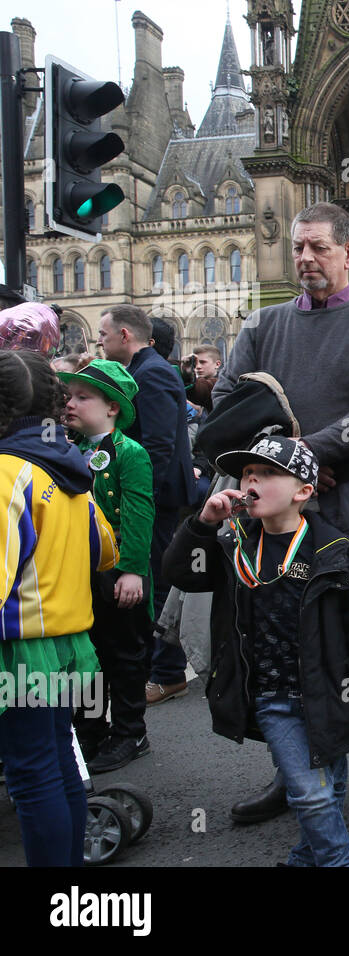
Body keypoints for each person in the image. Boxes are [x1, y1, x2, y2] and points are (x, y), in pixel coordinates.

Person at [212, 202, 349, 822]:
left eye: (318, 247)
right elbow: (225, 400)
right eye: (299, 247)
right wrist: (288, 464)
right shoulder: (263, 325)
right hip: (277, 507)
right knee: (287, 638)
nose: (304, 258)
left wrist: (309, 453)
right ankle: (296, 771)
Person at [163, 437, 349, 866]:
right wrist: (202, 523)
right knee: (310, 792)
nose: (252, 481)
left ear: (303, 491)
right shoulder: (235, 541)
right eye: (248, 473)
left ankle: (304, 859)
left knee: (330, 784)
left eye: (268, 474)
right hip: (273, 695)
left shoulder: (334, 550)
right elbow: (181, 573)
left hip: (328, 690)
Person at [1, 350, 119, 867]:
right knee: (57, 767)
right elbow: (105, 549)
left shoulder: (8, 471)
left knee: (31, 774)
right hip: (70, 647)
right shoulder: (68, 470)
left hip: (21, 648)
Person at [59, 360, 156, 773]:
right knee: (90, 655)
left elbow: (139, 512)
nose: (71, 404)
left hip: (118, 572)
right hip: (80, 572)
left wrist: (132, 569)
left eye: (83, 397)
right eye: (69, 396)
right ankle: (92, 728)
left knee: (124, 654)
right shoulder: (70, 449)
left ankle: (130, 730)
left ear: (112, 408)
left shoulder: (129, 453)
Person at [97, 304, 196, 699]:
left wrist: (140, 501)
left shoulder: (152, 373)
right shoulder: (146, 370)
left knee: (158, 582)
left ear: (125, 335)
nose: (99, 341)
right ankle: (159, 668)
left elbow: (157, 446)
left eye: (103, 334)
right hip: (152, 498)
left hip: (157, 499)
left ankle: (168, 672)